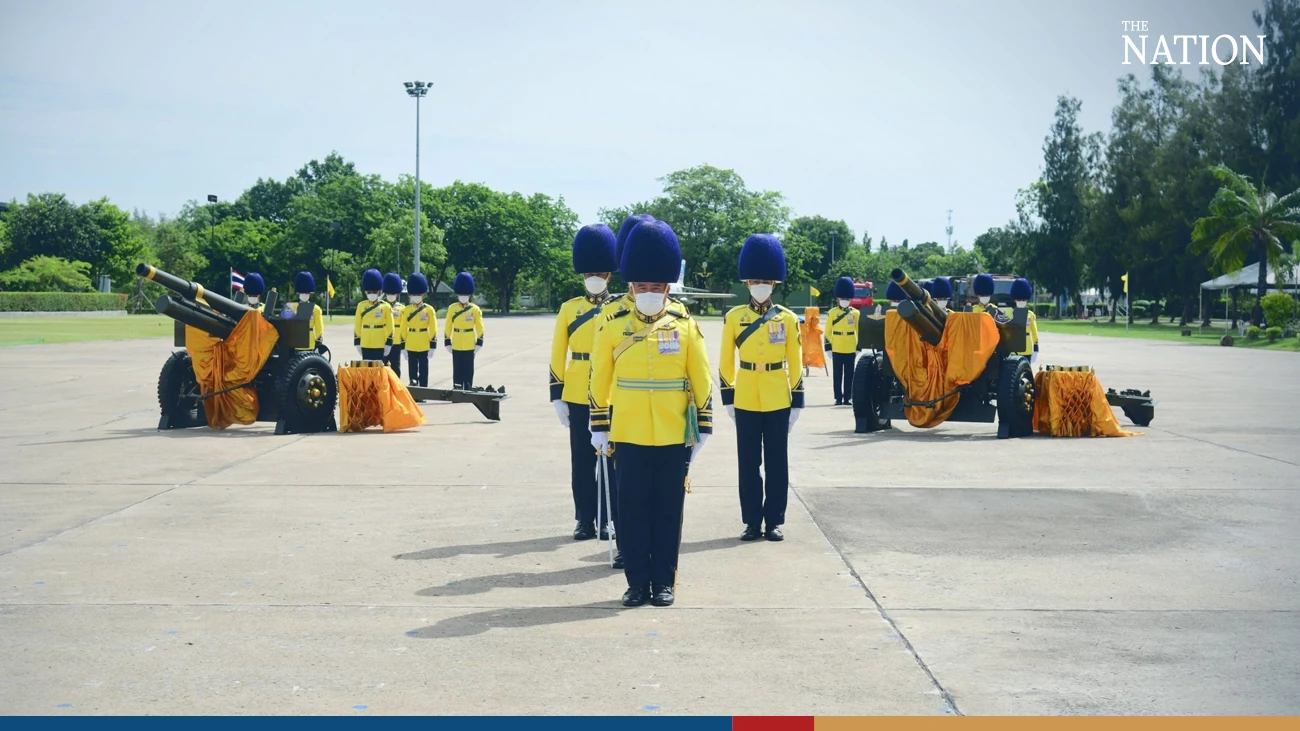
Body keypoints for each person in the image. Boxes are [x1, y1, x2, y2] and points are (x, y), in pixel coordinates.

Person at [589, 219, 712, 608]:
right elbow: (598, 377)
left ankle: (664, 582)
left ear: (666, 287)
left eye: (656, 287)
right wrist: (599, 425)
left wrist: (704, 426)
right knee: (632, 511)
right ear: (631, 285)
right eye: (642, 286)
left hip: (674, 432)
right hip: (628, 431)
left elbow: (702, 376)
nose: (649, 292)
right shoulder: (611, 324)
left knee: (668, 511)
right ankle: (636, 583)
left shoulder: (684, 324)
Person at [719, 234, 804, 542]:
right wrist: (728, 395)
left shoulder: (788, 318)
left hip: (778, 397)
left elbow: (795, 361)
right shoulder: (734, 317)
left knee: (777, 464)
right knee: (748, 464)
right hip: (745, 397)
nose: (760, 286)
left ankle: (775, 520)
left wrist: (797, 401)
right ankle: (752, 521)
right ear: (747, 283)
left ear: (774, 283)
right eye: (755, 280)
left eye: (765, 280)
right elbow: (726, 360)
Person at [550, 224, 621, 559]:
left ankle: (608, 519)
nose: (595, 277)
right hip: (577, 392)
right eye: (590, 272)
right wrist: (556, 393)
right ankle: (584, 518)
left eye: (600, 272)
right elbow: (557, 352)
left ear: (610, 274)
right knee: (581, 460)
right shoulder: (569, 308)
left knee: (609, 460)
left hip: (609, 393)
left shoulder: (621, 308)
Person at [824, 276, 860, 406]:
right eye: (842, 298)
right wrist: (828, 347)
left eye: (847, 298)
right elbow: (827, 331)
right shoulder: (832, 313)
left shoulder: (856, 313)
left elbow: (859, 330)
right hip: (837, 346)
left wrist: (859, 347)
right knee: (837, 374)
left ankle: (848, 397)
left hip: (850, 346)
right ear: (838, 299)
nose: (844, 301)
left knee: (850, 374)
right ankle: (838, 397)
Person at [444, 272, 484, 389]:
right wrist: (447, 340)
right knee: (457, 367)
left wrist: (479, 341)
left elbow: (480, 326)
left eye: (465, 294)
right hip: (456, 340)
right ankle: (457, 388)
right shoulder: (452, 308)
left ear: (469, 295)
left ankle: (467, 387)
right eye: (461, 294)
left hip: (469, 341)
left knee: (468, 367)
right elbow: (448, 325)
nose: (463, 296)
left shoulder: (475, 309)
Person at [400, 273, 436, 388]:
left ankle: (424, 389)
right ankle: (414, 390)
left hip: (424, 342)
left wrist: (432, 345)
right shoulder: (407, 310)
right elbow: (403, 327)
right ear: (410, 295)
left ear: (423, 295)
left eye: (419, 294)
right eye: (414, 294)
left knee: (424, 369)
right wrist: (403, 345)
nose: (416, 296)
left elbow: (433, 327)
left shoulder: (429, 310)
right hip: (410, 342)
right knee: (412, 369)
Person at [354, 268, 393, 361]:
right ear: (366, 292)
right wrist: (357, 341)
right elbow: (357, 325)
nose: (372, 294)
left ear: (379, 291)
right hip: (365, 342)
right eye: (369, 292)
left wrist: (389, 342)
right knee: (367, 370)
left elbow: (390, 326)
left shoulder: (386, 307)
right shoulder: (361, 306)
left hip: (379, 342)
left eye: (374, 292)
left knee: (378, 370)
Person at [288, 271, 325, 350]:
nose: (304, 294)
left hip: (310, 343)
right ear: (298, 293)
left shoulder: (316, 309)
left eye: (306, 292)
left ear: (310, 293)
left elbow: (319, 328)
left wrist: (318, 343)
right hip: (295, 344)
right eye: (302, 292)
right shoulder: (291, 307)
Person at [1010, 277, 1040, 365]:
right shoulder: (1009, 314)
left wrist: (1036, 347)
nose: (1021, 302)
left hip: (1027, 349)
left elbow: (1034, 333)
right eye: (1019, 300)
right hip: (1013, 349)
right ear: (1015, 299)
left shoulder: (1030, 315)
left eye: (1023, 300)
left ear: (1026, 300)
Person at [382, 273, 405, 379]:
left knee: (396, 368)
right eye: (389, 293)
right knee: (382, 367)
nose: (391, 295)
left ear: (397, 294)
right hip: (383, 341)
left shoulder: (402, 308)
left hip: (396, 342)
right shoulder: (382, 307)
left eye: (393, 293)